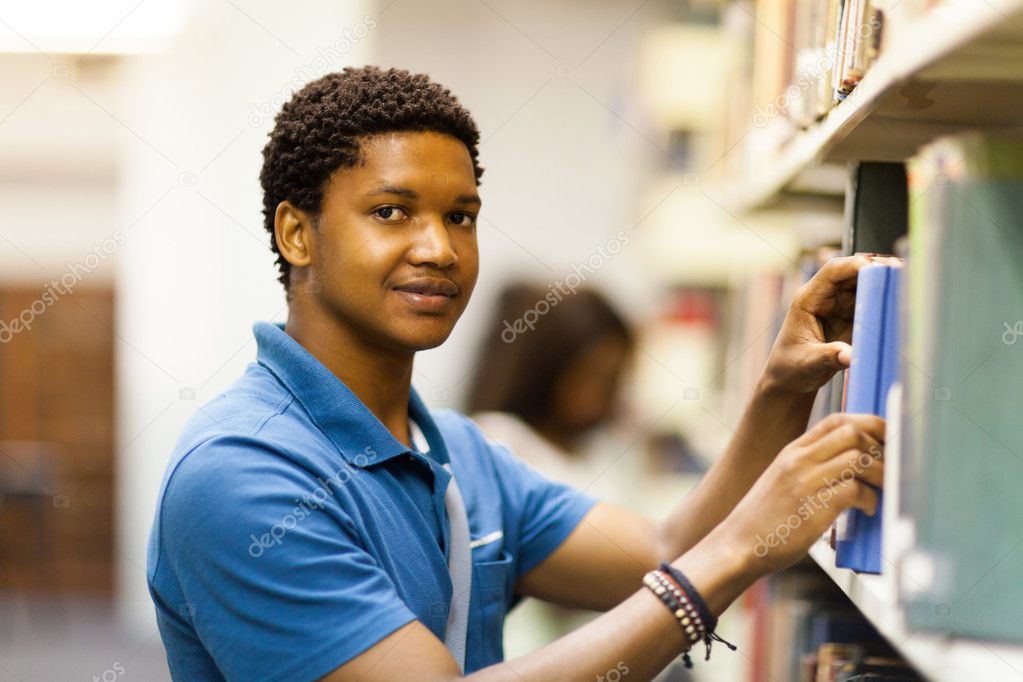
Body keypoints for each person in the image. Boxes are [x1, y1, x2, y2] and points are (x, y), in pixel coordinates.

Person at [146, 66, 885, 682]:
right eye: (392, 211)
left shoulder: (457, 456)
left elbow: (664, 551)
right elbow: (701, 558)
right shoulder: (243, 473)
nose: (438, 248)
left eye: (461, 216)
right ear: (296, 233)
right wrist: (733, 555)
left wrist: (781, 390)